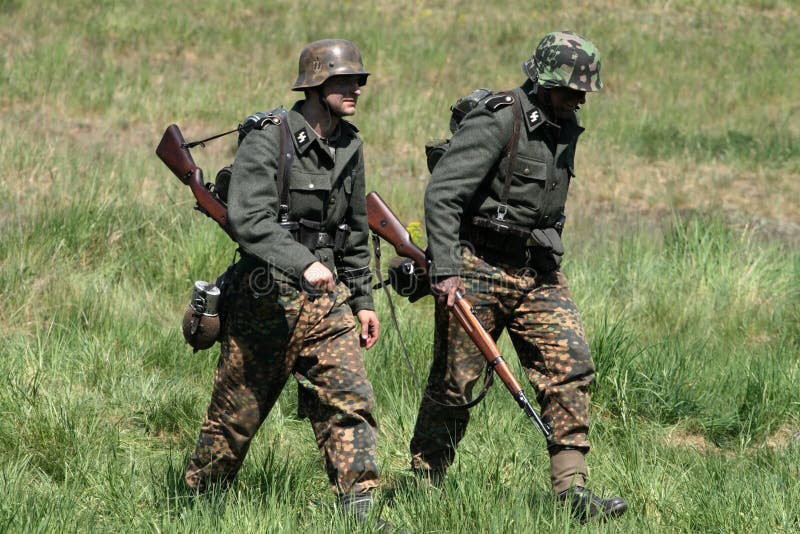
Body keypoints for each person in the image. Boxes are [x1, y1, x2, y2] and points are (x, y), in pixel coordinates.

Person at [410, 31, 628, 522]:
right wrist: (445, 269)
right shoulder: (500, 119)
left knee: (570, 364)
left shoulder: (564, 124)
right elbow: (442, 195)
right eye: (571, 90)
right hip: (477, 266)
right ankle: (424, 487)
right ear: (544, 81)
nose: (578, 100)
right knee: (457, 383)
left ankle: (571, 494)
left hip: (537, 270)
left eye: (583, 92)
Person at [184, 38, 388, 529]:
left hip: (326, 303)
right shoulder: (269, 136)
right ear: (317, 85)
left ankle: (359, 510)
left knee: (350, 401)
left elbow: (354, 231)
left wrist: (361, 299)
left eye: (358, 81)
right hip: (265, 296)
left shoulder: (349, 145)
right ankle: (195, 504)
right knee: (235, 417)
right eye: (344, 81)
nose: (356, 89)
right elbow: (248, 217)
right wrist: (302, 263)